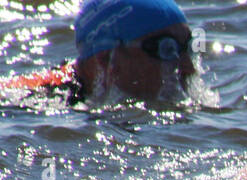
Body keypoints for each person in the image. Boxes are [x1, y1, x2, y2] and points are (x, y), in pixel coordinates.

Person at [0, 0, 195, 106]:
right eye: (166, 49)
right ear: (106, 59)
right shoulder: (26, 100)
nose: (188, 68)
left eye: (187, 48)